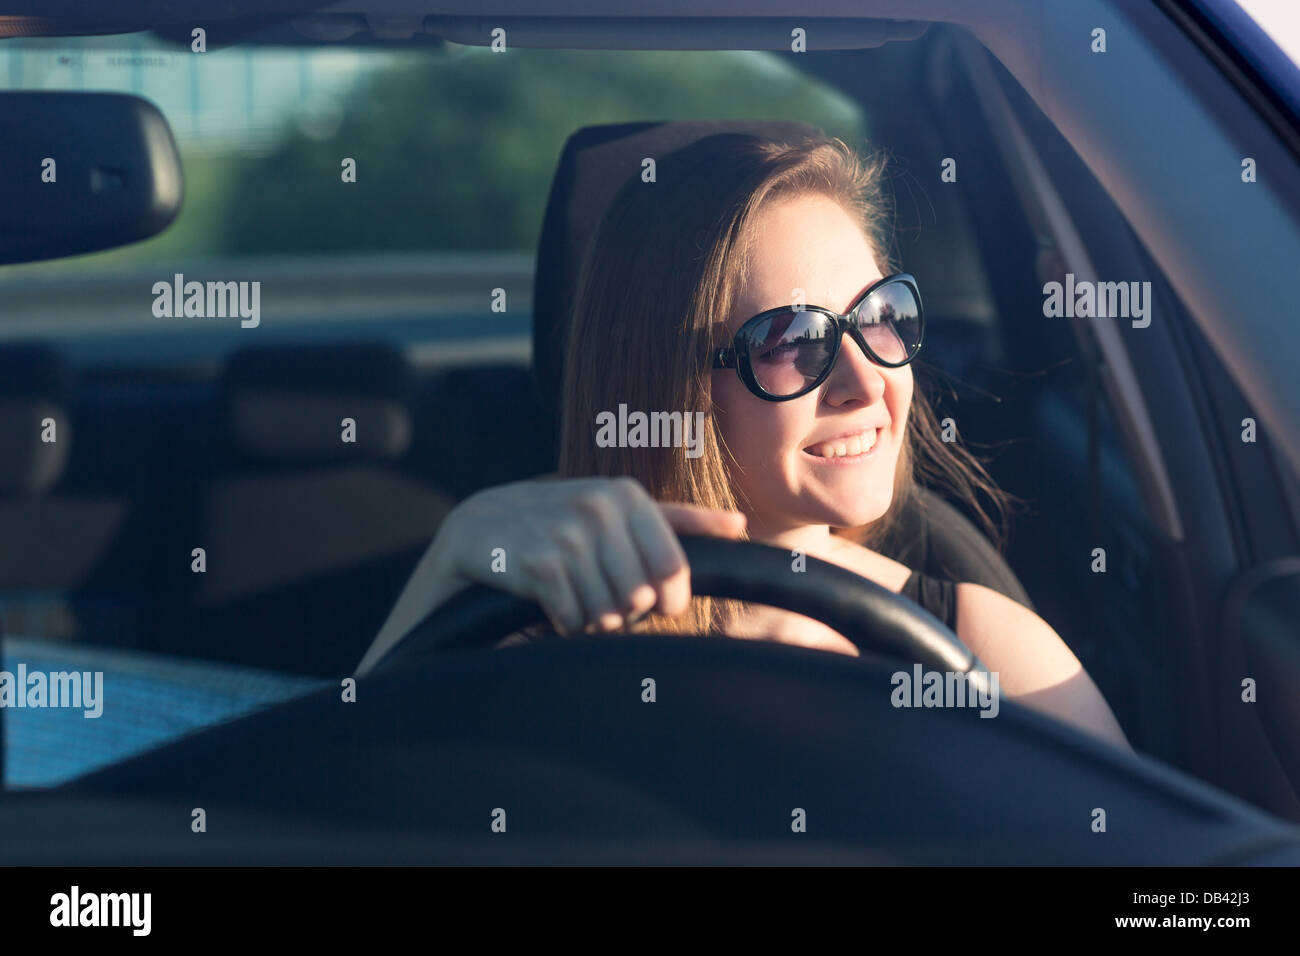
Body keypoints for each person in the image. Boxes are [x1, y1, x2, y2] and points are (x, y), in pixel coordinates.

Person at [356, 133, 1131, 752]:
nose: (866, 381)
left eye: (879, 315)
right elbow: (313, 832)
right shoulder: (530, 653)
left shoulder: (984, 641)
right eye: (791, 339)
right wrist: (447, 569)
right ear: (667, 385)